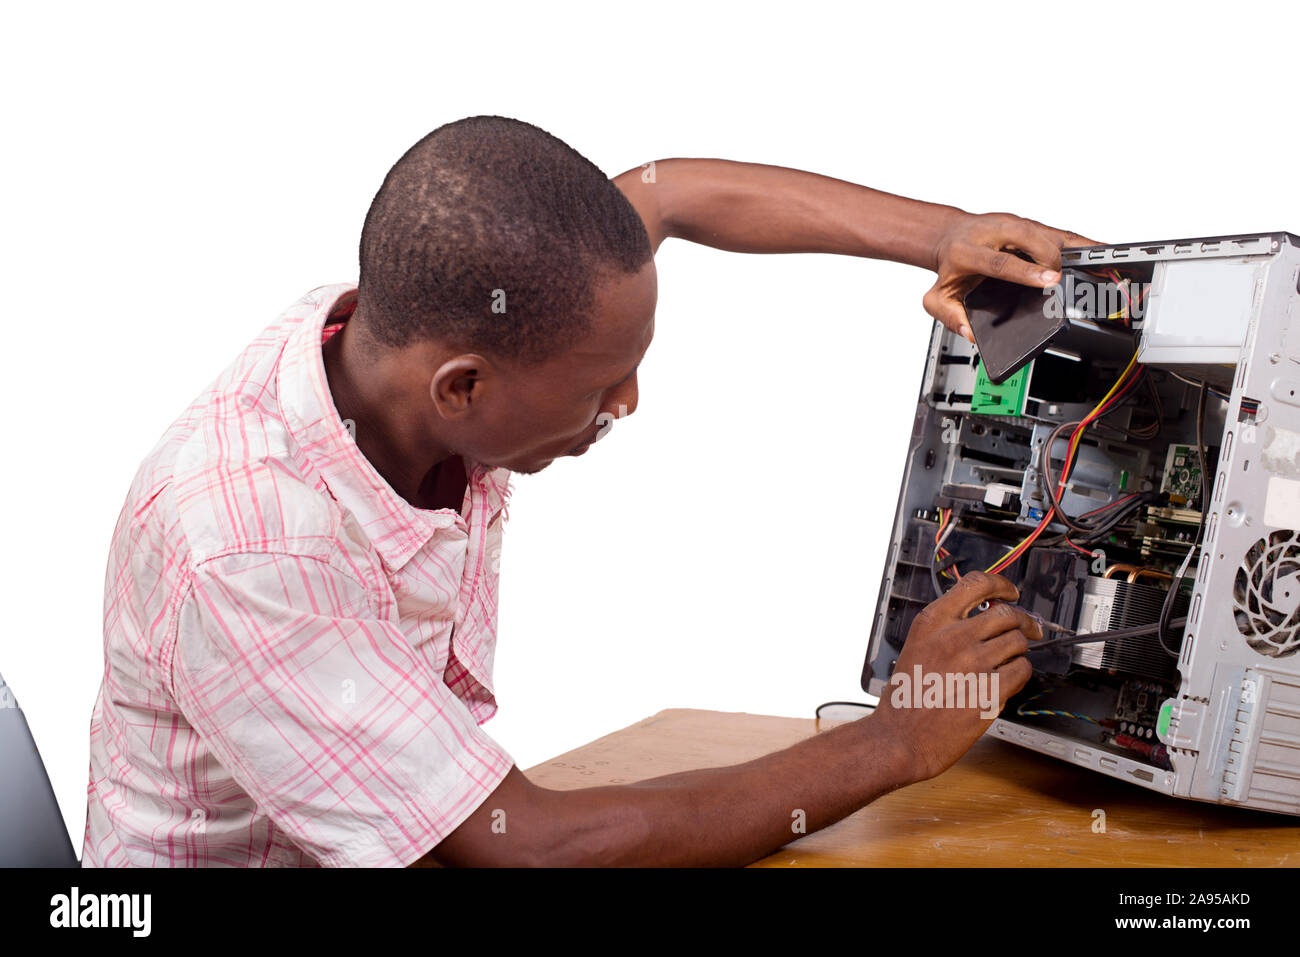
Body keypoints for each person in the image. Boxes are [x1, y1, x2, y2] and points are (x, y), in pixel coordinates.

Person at [83, 115, 1092, 867]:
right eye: (597, 387)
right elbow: (528, 851)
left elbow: (663, 191)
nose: (627, 401)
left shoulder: (470, 313)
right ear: (462, 387)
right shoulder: (250, 545)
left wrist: (949, 234)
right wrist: (895, 740)